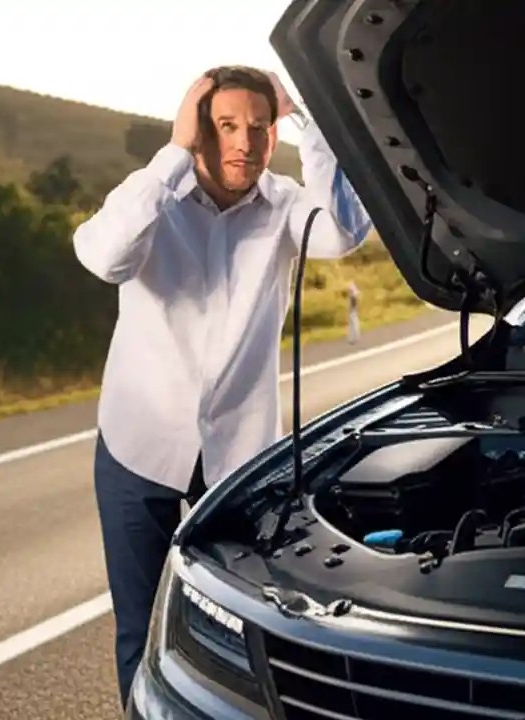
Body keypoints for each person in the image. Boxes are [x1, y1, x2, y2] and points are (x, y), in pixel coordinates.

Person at [71, 65, 371, 708]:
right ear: (198, 129)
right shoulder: (154, 200)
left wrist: (306, 122)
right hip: (137, 448)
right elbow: (102, 255)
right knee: (140, 628)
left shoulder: (286, 205)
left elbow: (346, 230)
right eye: (226, 126)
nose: (243, 142)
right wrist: (175, 154)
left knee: (247, 624)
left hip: (239, 459)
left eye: (258, 128)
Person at [345, 280, 361, 344]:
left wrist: (351, 310)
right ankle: (355, 337)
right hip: (354, 310)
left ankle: (353, 338)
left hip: (353, 311)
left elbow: (353, 305)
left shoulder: (353, 296)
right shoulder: (354, 295)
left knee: (353, 323)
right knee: (354, 323)